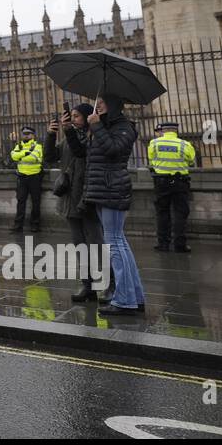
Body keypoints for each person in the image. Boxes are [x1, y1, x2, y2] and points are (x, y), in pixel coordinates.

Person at [85, 94, 145, 316]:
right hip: (103, 189)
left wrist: (98, 127)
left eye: (102, 102)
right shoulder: (106, 126)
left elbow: (114, 151)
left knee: (115, 244)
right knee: (119, 243)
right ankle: (134, 296)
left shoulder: (124, 127)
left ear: (114, 105)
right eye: (97, 102)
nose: (97, 104)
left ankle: (124, 300)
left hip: (112, 189)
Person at [45, 103, 104, 301]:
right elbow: (50, 157)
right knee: (80, 245)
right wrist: (51, 135)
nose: (72, 119)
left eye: (77, 116)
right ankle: (87, 285)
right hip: (70, 200)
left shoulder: (93, 137)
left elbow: (81, 152)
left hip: (87, 199)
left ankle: (106, 283)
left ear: (88, 118)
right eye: (72, 116)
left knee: (96, 243)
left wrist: (68, 130)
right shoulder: (67, 139)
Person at [148, 120, 197, 253]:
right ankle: (180, 244)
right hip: (180, 182)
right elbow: (191, 160)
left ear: (163, 131)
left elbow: (151, 159)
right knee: (180, 213)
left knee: (162, 213)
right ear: (175, 131)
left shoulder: (154, 143)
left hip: (161, 182)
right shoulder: (184, 144)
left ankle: (163, 243)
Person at [9, 126, 44, 233]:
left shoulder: (37, 146)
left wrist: (21, 156)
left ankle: (35, 225)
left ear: (33, 135)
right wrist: (26, 153)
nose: (26, 135)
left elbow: (34, 158)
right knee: (21, 202)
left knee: (36, 202)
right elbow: (13, 156)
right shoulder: (18, 145)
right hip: (22, 177)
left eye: (28, 134)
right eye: (24, 134)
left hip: (35, 176)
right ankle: (18, 225)